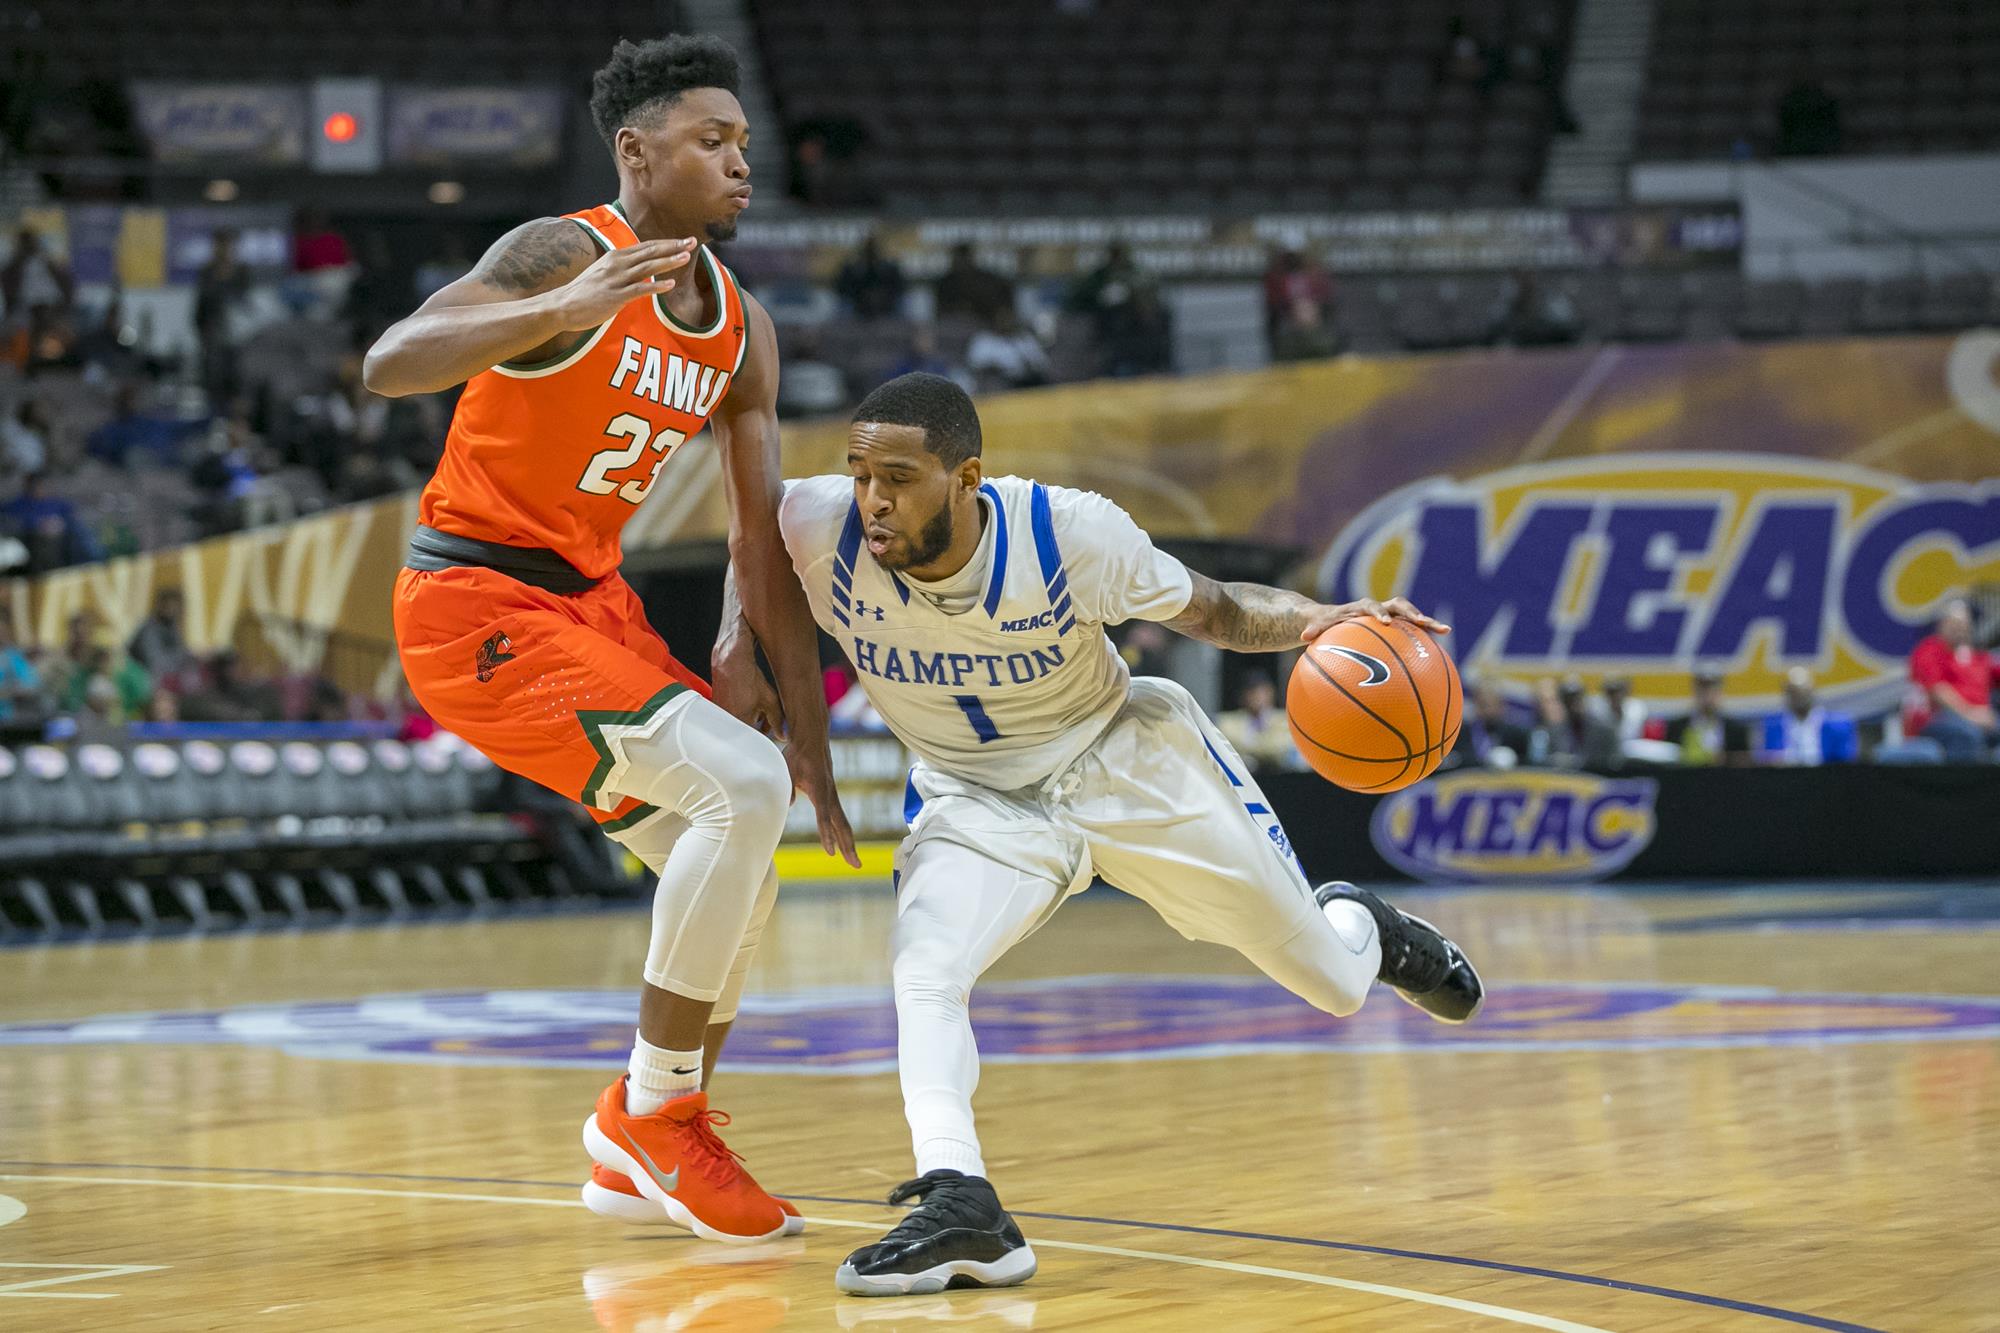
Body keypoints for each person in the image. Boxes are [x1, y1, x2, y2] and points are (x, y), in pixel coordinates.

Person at [716, 372, 1481, 1295]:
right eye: (862, 472)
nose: (874, 498)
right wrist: (737, 643)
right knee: (924, 965)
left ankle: (1361, 923)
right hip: (974, 796)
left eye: (901, 478)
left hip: (1121, 758)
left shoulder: (1067, 533)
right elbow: (753, 549)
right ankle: (965, 1204)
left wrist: (1323, 618)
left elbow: (1216, 608)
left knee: (1331, 983)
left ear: (967, 478)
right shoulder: (820, 522)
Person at [362, 34, 855, 1245]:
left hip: (593, 606)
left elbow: (758, 544)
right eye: (710, 141)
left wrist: (802, 725)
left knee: (748, 817)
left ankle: (638, 1131)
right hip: (473, 602)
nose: (741, 162)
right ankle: (655, 1119)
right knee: (732, 793)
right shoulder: (560, 251)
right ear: (636, 154)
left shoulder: (741, 330)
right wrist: (557, 307)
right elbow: (387, 364)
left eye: (743, 142)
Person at [1904, 599, 1997, 761]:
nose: (1959, 630)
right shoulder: (1929, 650)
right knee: (1967, 735)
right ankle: (1964, 786)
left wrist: (1985, 715)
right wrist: (1970, 714)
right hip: (1934, 720)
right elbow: (1937, 691)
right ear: (1942, 625)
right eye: (1954, 625)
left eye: (1963, 626)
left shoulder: (1978, 658)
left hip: (1979, 719)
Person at [1761, 667, 1856, 766]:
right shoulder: (1772, 725)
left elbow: (1846, 761)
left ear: (1813, 691)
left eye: (1803, 691)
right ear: (1785, 694)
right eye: (1793, 692)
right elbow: (1764, 759)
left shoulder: (1838, 725)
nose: (1799, 697)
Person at [1664, 667, 1751, 765]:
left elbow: (1745, 764)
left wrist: (1725, 759)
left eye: (1712, 687)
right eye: (1703, 688)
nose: (1708, 694)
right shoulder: (1676, 727)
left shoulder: (1736, 730)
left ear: (1720, 690)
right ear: (1695, 690)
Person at [1217, 676, 1301, 774]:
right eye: (1251, 692)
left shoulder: (1285, 720)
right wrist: (1266, 747)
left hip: (1281, 778)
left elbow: (1280, 747)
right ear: (1243, 696)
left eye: (1261, 692)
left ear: (1271, 693)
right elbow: (1227, 748)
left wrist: (1248, 750)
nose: (1256, 697)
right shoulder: (1228, 722)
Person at [1450, 675, 1531, 768]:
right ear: (1475, 703)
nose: (1487, 710)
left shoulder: (1516, 735)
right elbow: (1457, 760)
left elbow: (1527, 762)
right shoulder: (1462, 733)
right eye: (1483, 704)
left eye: (1491, 704)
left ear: (1501, 705)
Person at [932, 243, 1014, 326]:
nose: (962, 264)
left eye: (964, 260)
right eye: (958, 260)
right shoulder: (945, 283)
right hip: (953, 326)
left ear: (971, 259)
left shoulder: (986, 280)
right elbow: (940, 312)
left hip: (984, 324)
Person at [834, 233, 907, 321]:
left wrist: (882, 296)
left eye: (873, 248)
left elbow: (899, 288)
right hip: (857, 305)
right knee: (843, 305)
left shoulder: (890, 268)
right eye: (868, 248)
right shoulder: (851, 269)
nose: (871, 251)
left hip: (887, 305)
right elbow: (842, 289)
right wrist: (862, 296)